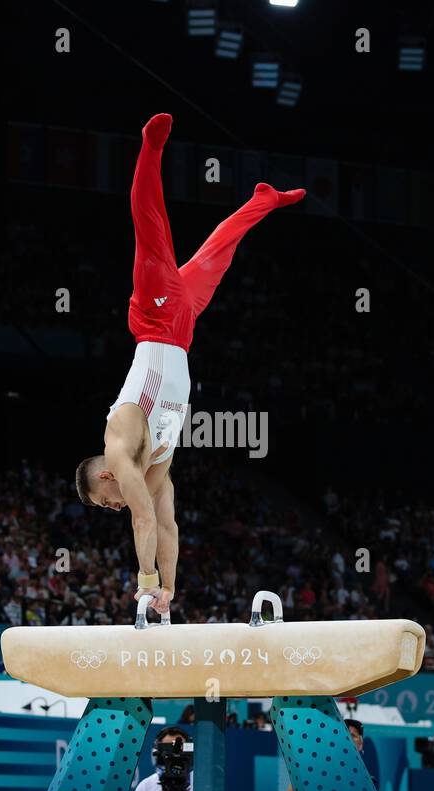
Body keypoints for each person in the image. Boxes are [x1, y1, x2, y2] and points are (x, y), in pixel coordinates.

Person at [74, 113, 304, 616]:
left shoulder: (119, 448)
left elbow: (140, 522)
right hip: (182, 328)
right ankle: (262, 200)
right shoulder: (154, 464)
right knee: (218, 252)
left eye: (101, 501)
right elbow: (166, 524)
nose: (108, 508)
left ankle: (150, 147)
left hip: (154, 320)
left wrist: (143, 583)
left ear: (106, 477)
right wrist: (168, 592)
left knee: (150, 230)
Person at [286, 719, 365, 791]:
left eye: (353, 736)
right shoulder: (320, 771)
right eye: (344, 735)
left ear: (361, 744)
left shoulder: (367, 781)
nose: (348, 740)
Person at [130, 725, 193, 791]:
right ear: (157, 754)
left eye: (180, 750)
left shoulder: (202, 785)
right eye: (168, 750)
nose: (175, 756)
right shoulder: (146, 786)